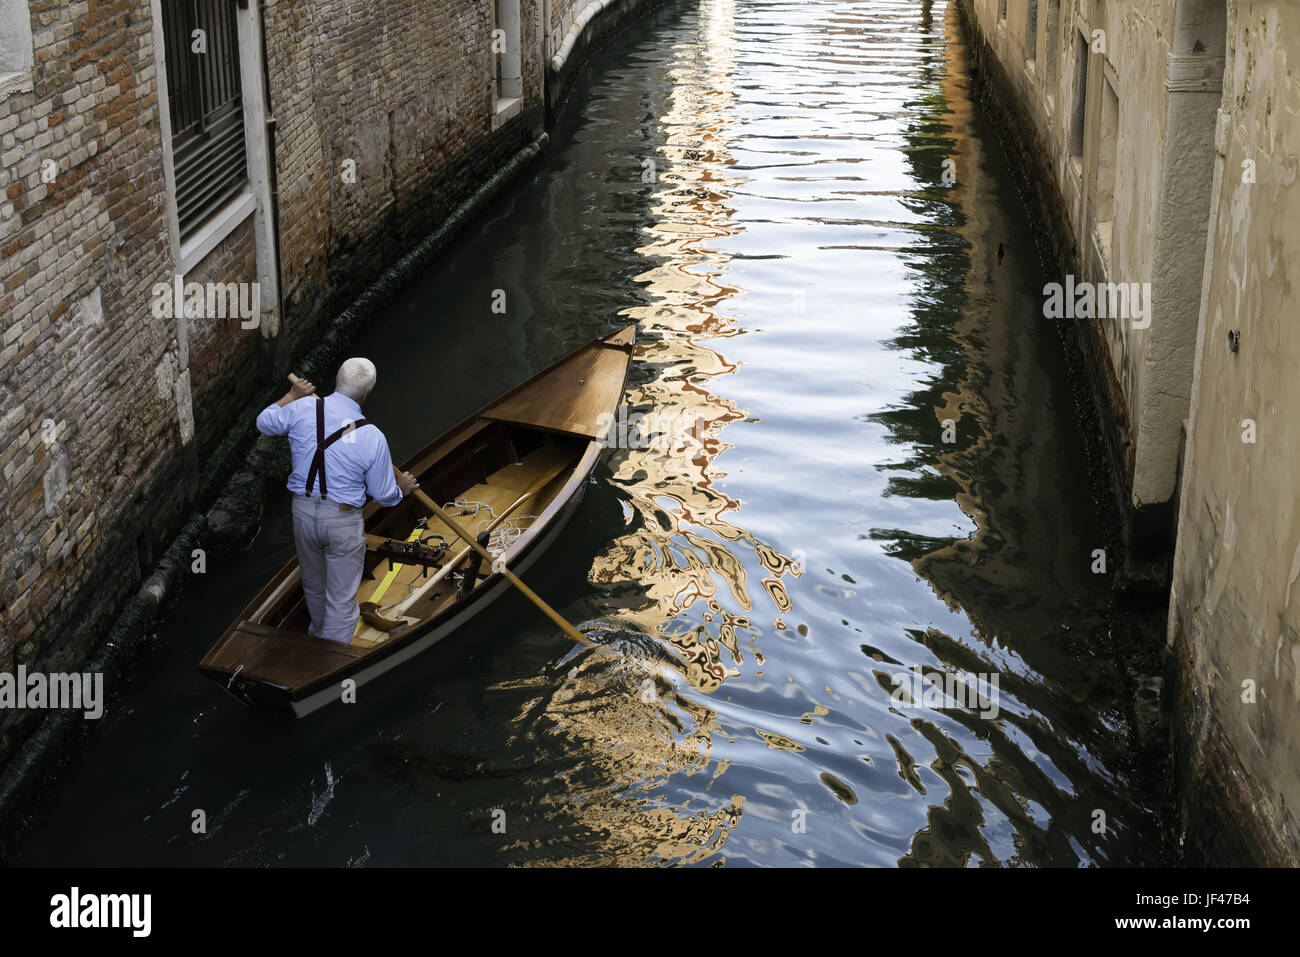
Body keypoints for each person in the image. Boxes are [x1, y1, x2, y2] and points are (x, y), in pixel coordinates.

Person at [256, 358, 418, 643]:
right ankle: (328, 663)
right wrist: (401, 489)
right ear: (367, 393)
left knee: (315, 588)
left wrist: (290, 396)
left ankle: (317, 637)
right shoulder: (372, 436)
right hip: (341, 522)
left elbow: (265, 422)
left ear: (337, 381)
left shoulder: (302, 407)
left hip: (303, 514)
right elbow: (382, 495)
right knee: (341, 602)